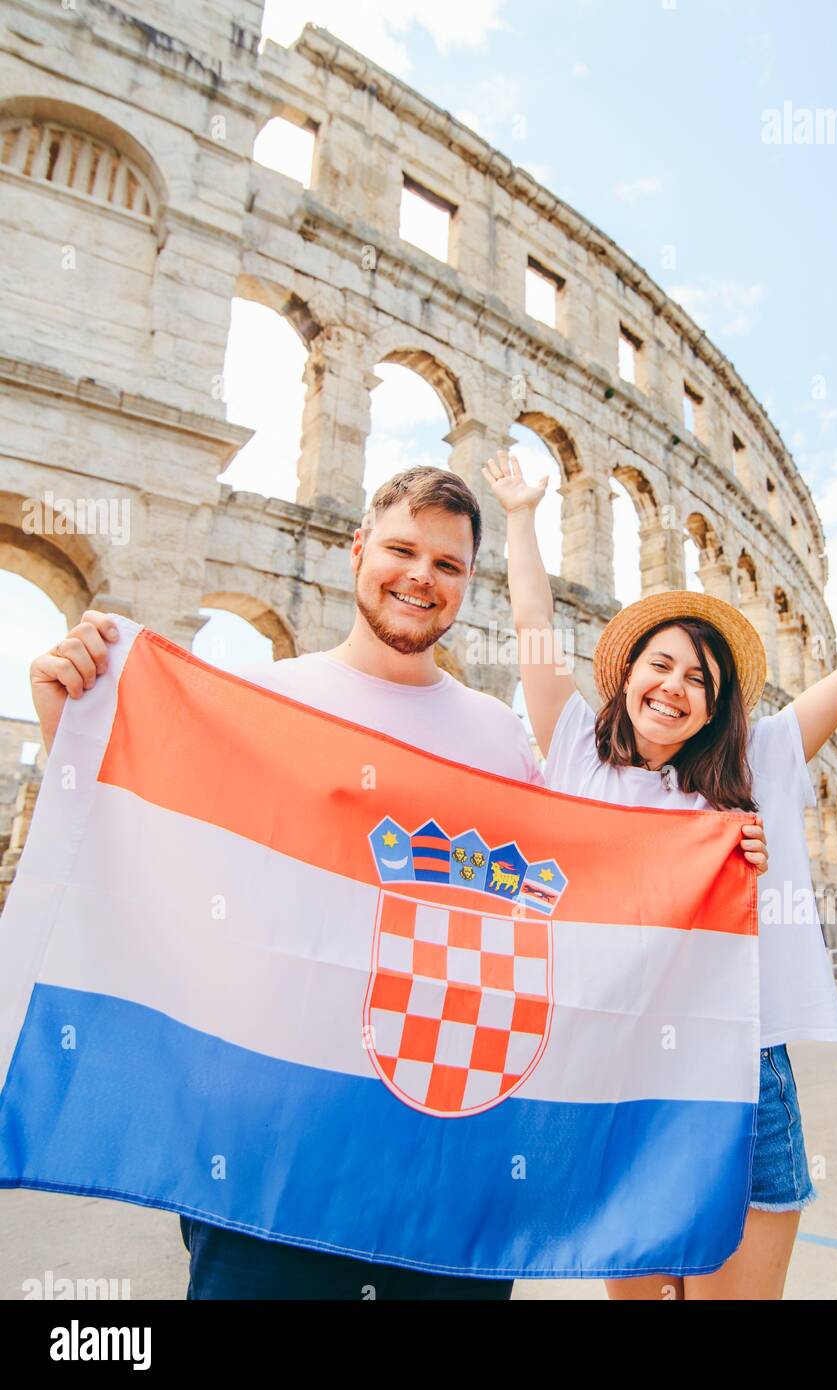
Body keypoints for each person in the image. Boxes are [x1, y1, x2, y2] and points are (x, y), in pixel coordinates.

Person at [27, 462, 769, 1298]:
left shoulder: (500, 742)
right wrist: (74, 729)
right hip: (272, 1151)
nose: (421, 577)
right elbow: (163, 847)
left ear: (466, 584)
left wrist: (712, 867)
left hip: (452, 1167)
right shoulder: (262, 698)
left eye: (447, 565)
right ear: (356, 548)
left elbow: (575, 897)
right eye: (402, 550)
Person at [483, 447, 837, 1301]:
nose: (675, 687)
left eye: (699, 679)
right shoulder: (578, 749)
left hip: (743, 1059)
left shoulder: (761, 762)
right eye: (660, 665)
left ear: (717, 705)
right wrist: (520, 517)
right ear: (625, 677)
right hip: (623, 1066)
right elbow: (535, 634)